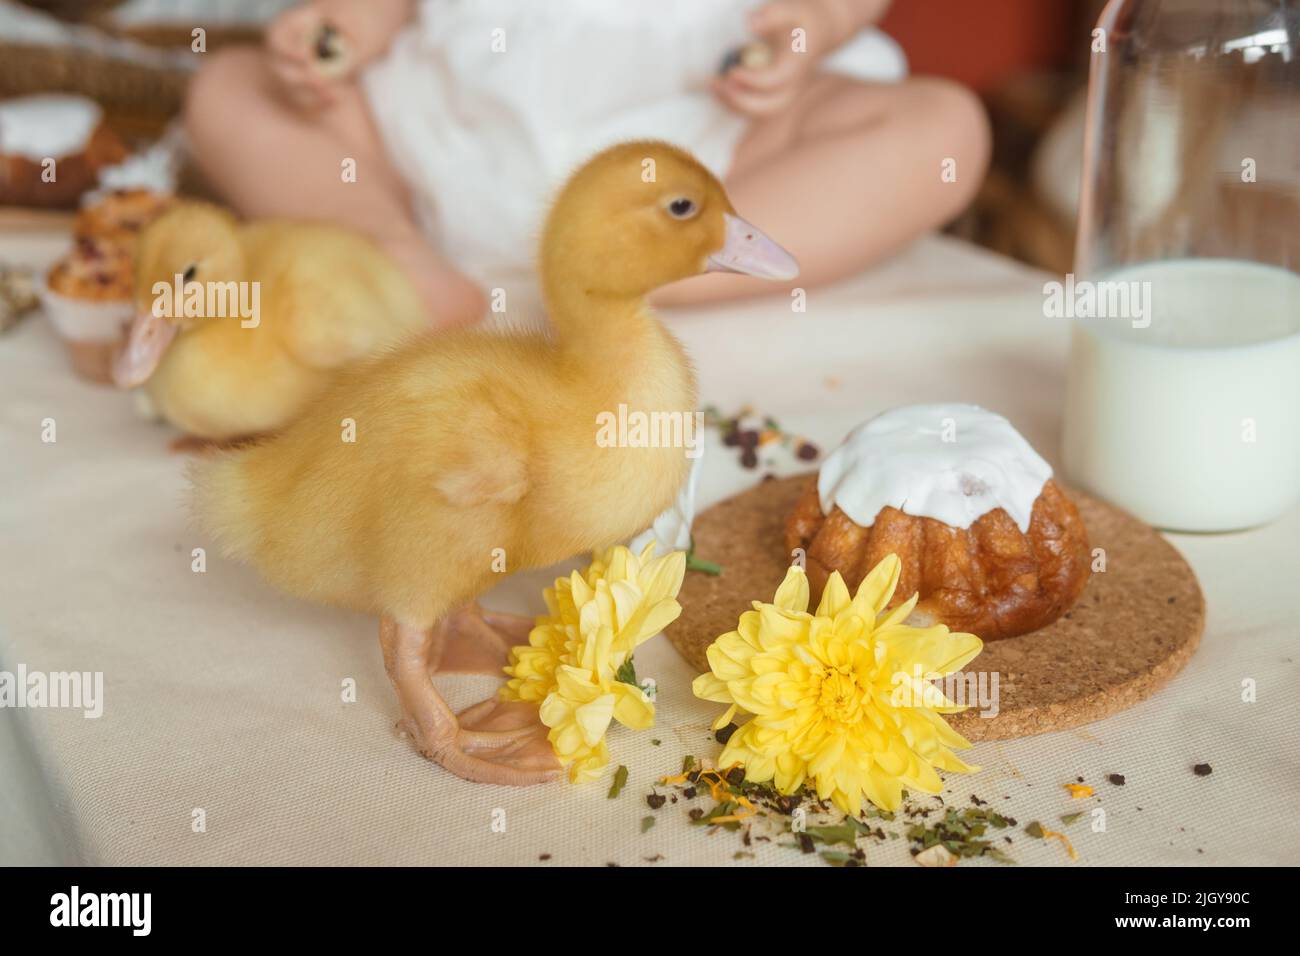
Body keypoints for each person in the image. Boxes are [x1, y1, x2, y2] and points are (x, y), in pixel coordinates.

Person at [184, 0, 990, 326]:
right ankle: (388, 248)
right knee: (230, 86)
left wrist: (813, 21)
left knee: (943, 127)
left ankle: (656, 268)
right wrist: (340, 31)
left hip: (705, 154)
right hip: (429, 149)